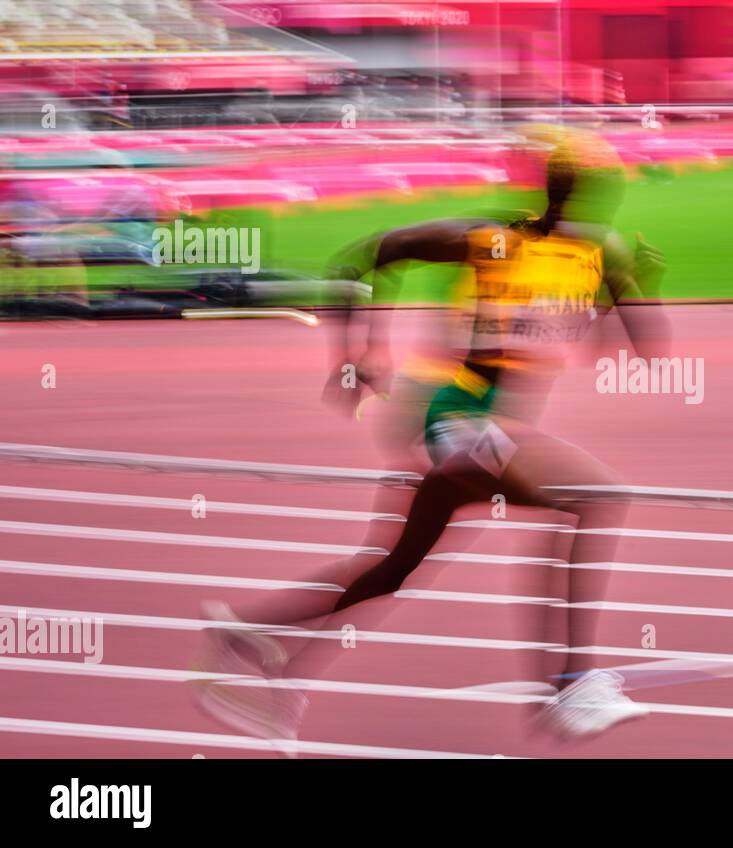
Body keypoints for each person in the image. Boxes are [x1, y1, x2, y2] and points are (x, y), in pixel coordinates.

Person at [192, 131, 670, 747]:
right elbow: (362, 256)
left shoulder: (600, 256)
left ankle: (254, 639)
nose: (583, 197)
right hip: (455, 418)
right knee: (596, 497)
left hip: (498, 429)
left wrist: (638, 287)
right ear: (558, 188)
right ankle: (571, 682)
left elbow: (640, 352)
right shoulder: (491, 240)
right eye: (575, 184)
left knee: (394, 569)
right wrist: (360, 352)